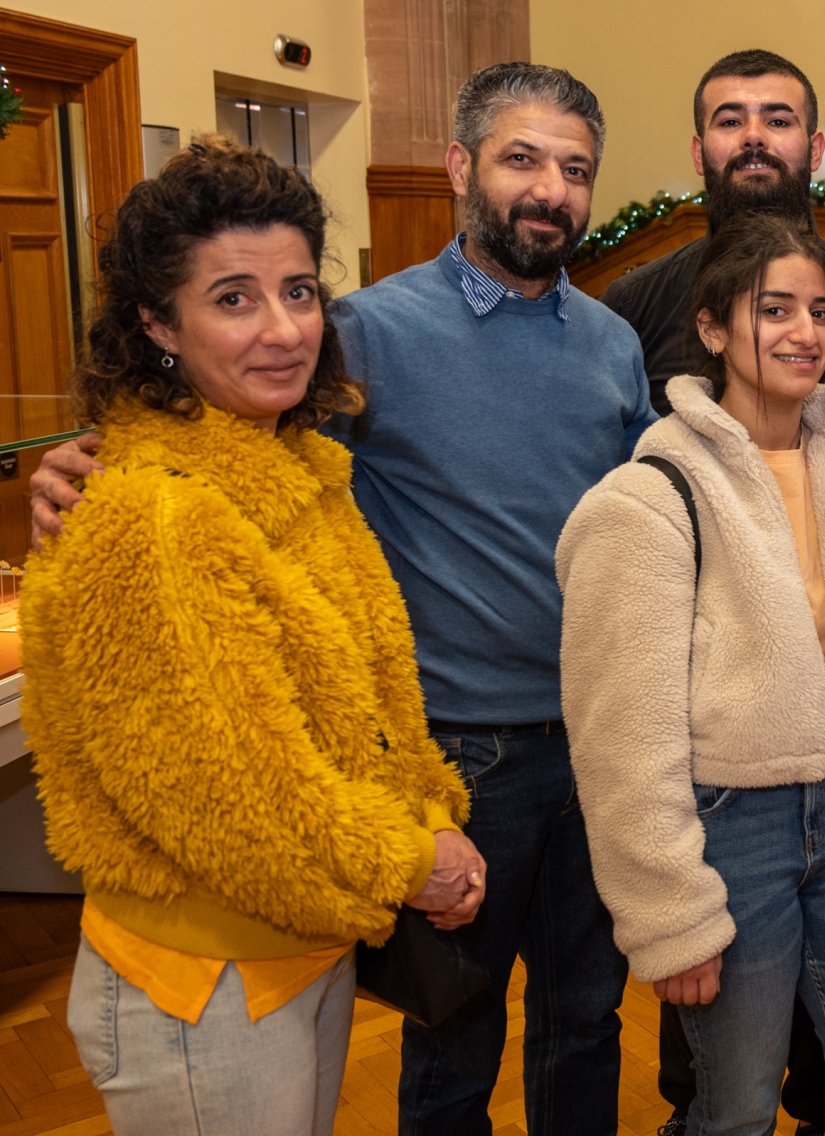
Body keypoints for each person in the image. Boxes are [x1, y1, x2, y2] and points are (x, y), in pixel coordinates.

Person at [30, 62, 656, 1134]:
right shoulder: (365, 329)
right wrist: (80, 466)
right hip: (453, 753)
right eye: (521, 158)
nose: (549, 188)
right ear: (462, 167)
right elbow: (192, 451)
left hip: (588, 739)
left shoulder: (612, 343)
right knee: (452, 1030)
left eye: (575, 168)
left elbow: (645, 525)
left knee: (586, 1012)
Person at [20, 138, 484, 1136]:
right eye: (233, 298)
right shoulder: (150, 515)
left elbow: (368, 704)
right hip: (197, 982)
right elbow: (238, 802)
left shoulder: (308, 474)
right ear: (158, 324)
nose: (283, 329)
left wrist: (431, 809)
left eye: (300, 292)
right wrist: (413, 859)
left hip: (299, 948)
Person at [556, 213, 825, 1136]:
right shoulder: (650, 496)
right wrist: (668, 910)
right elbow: (625, 733)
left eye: (819, 312)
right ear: (711, 330)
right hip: (729, 828)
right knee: (734, 1108)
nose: (804, 333)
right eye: (772, 309)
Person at [600, 49, 825, 418]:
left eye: (778, 122)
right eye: (729, 122)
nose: (753, 138)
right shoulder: (635, 305)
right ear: (698, 153)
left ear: (815, 149)